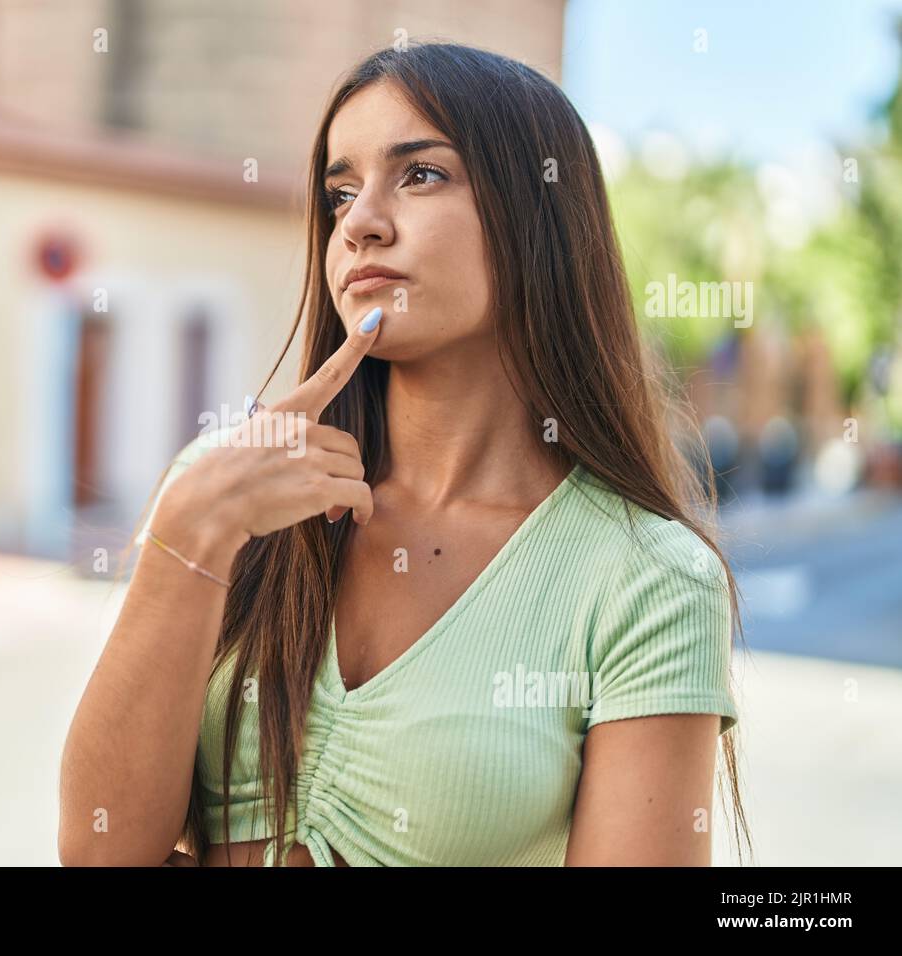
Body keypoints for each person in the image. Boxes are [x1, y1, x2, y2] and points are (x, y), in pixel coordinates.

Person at [59, 41, 749, 867]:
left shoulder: (649, 579)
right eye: (339, 192)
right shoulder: (226, 490)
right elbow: (99, 852)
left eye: (420, 175)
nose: (359, 223)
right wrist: (189, 536)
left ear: (540, 219)